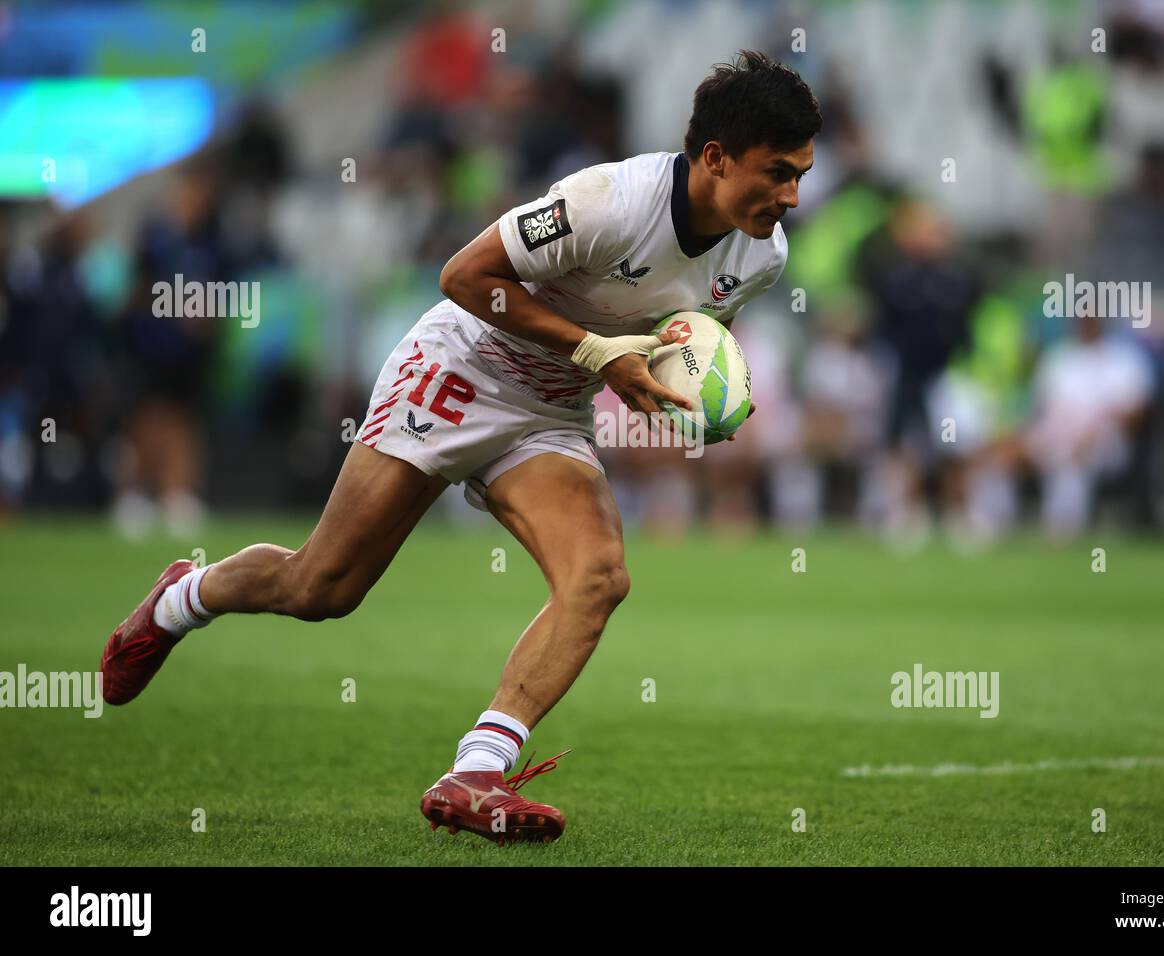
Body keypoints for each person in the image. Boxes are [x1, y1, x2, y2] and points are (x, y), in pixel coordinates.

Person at [98, 50, 820, 845]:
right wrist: (594, 353)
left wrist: (680, 396)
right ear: (715, 158)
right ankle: (178, 601)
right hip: (458, 369)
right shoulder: (606, 201)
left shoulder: (764, 255)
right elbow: (465, 276)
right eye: (777, 172)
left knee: (600, 576)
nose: (791, 195)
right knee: (322, 588)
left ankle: (475, 772)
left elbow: (681, 342)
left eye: (801, 175)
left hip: (550, 413)